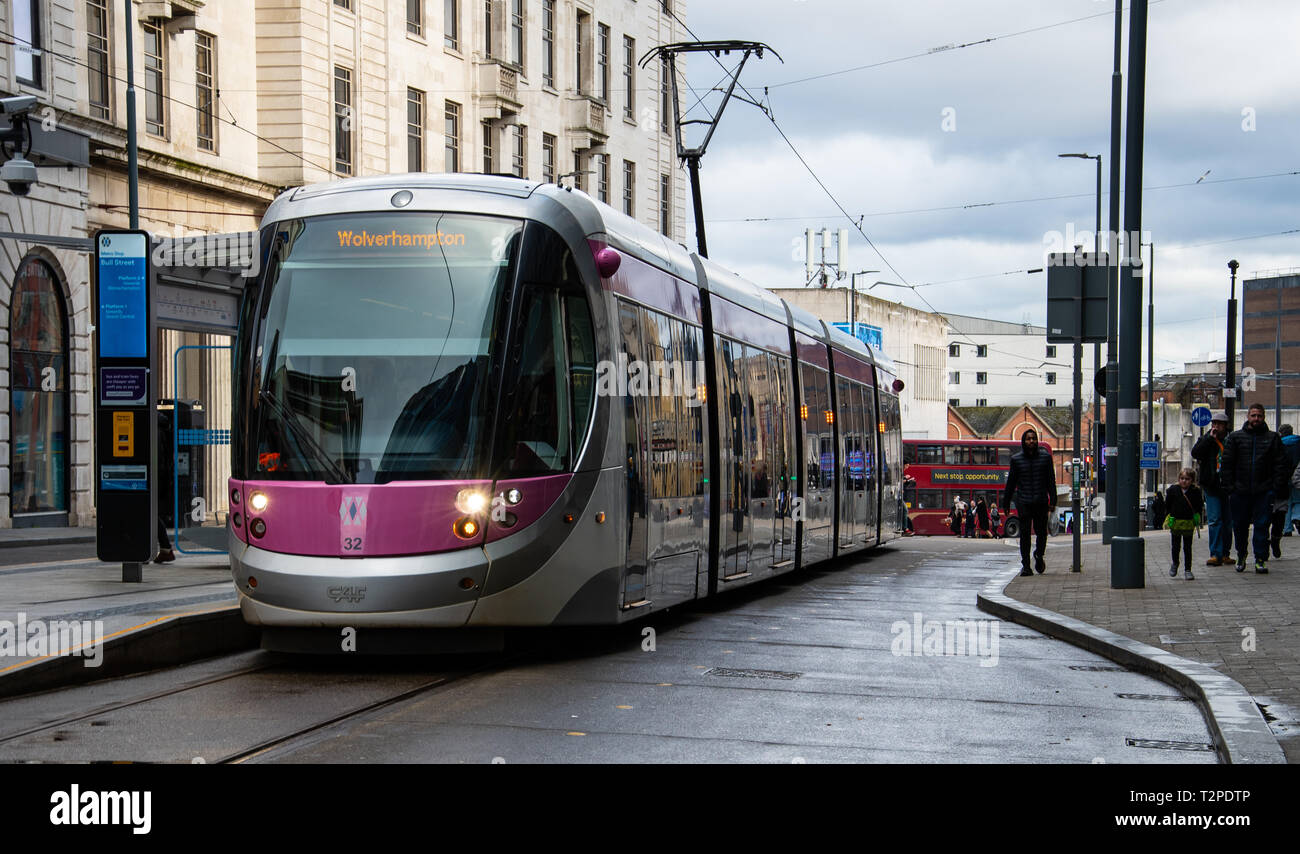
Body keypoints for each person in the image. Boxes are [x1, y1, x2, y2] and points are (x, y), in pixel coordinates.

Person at [1220, 402, 1289, 573]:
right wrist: (1230, 487)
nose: (1256, 418)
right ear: (1248, 417)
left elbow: (1280, 464)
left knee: (1262, 525)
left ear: (1263, 417)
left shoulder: (1272, 438)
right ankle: (1242, 555)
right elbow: (1227, 464)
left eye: (1259, 416)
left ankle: (1260, 558)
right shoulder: (1236, 438)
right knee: (1240, 526)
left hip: (1264, 490)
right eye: (1253, 415)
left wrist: (1275, 488)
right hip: (1240, 490)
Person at [1003, 428, 1057, 576]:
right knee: (1025, 535)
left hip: (1041, 501)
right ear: (1023, 441)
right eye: (1028, 439)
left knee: (1042, 533)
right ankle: (1026, 566)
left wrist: (1053, 500)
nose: (1031, 441)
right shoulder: (1016, 459)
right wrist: (1006, 503)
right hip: (1024, 502)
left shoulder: (1045, 458)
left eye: (1033, 438)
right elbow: (1011, 483)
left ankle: (1039, 555)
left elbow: (1051, 480)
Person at [1192, 410, 1232, 566]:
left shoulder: (1231, 440)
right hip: (1211, 485)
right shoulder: (1206, 439)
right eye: (1214, 424)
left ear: (1225, 426)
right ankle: (1216, 553)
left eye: (1219, 424)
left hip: (1228, 485)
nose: (1216, 427)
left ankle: (1226, 553)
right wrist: (1209, 439)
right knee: (1215, 520)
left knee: (1228, 522)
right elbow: (1195, 453)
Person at [1164, 467, 1203, 580]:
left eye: (1187, 479)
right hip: (1176, 521)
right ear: (1178, 479)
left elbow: (1198, 506)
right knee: (1175, 546)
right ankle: (1175, 563)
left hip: (1188, 522)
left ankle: (1188, 569)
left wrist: (1197, 518)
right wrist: (1168, 515)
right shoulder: (1173, 490)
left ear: (1192, 480)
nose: (1184, 481)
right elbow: (1168, 504)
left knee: (1187, 547)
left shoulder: (1195, 491)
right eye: (1182, 478)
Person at [1276, 424, 1300, 548]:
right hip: (1298, 475)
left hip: (1284, 477)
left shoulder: (1279, 444)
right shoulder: (1299, 442)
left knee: (1287, 502)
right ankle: (1297, 517)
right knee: (1298, 500)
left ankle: (1287, 529)